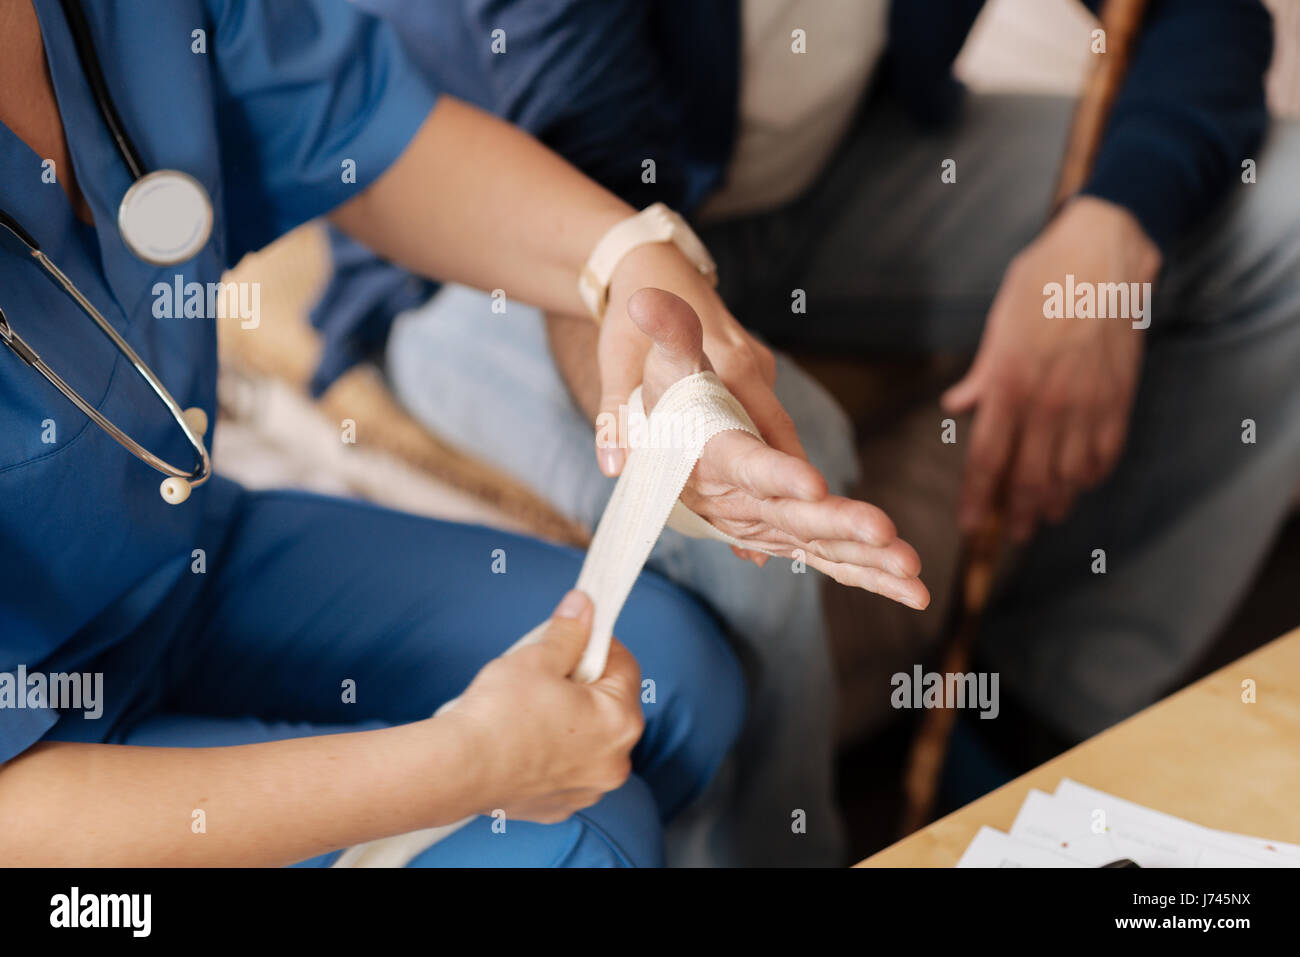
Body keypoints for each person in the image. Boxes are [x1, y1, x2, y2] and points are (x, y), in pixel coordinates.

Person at [315, 0, 1300, 834]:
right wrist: (677, 400)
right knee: (775, 457)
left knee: (1284, 216)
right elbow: (596, 193)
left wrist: (1106, 231)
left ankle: (1034, 719)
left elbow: (1196, 14)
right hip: (500, 246)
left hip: (819, 175)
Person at [0, 0, 929, 867]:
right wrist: (468, 762)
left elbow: (365, 137)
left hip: (167, 563)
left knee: (669, 681)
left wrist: (628, 264)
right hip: (38, 784)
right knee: (583, 836)